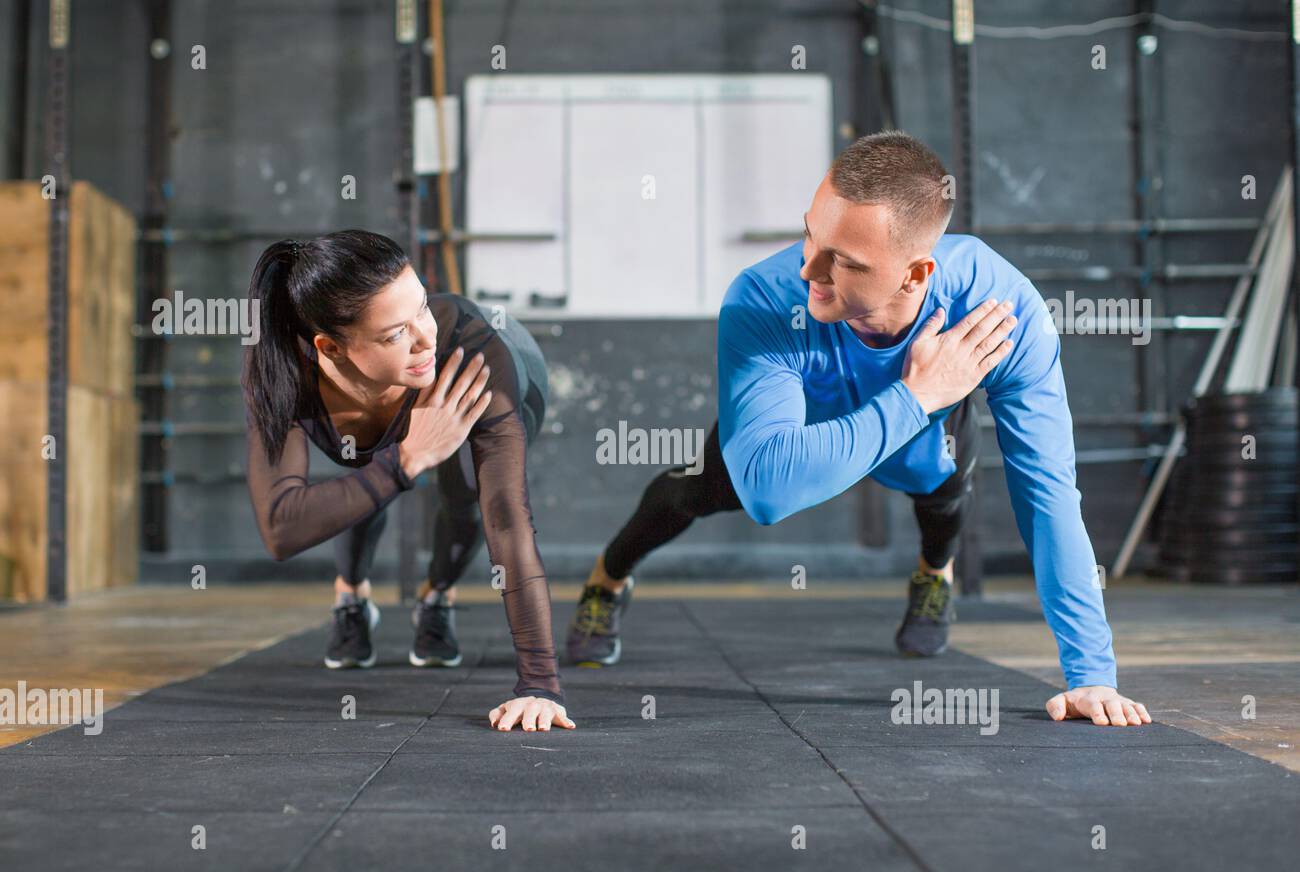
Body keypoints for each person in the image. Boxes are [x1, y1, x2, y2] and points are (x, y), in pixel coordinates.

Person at [564, 131, 1151, 728]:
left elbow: (1048, 490)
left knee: (945, 503)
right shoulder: (765, 298)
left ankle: (932, 574)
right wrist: (917, 394)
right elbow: (770, 490)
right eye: (810, 235)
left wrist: (1091, 673)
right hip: (808, 427)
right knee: (684, 491)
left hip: (921, 435)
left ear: (915, 274)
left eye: (844, 260)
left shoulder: (1000, 310)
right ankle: (606, 581)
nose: (809, 268)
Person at [242, 229, 571, 732]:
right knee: (368, 475)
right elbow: (280, 529)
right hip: (382, 430)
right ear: (330, 348)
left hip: (514, 366)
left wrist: (540, 686)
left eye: (421, 306)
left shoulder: (463, 352)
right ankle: (352, 596)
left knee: (467, 496)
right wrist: (407, 459)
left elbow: (506, 517)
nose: (424, 337)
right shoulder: (281, 372)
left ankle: (436, 598)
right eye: (396, 333)